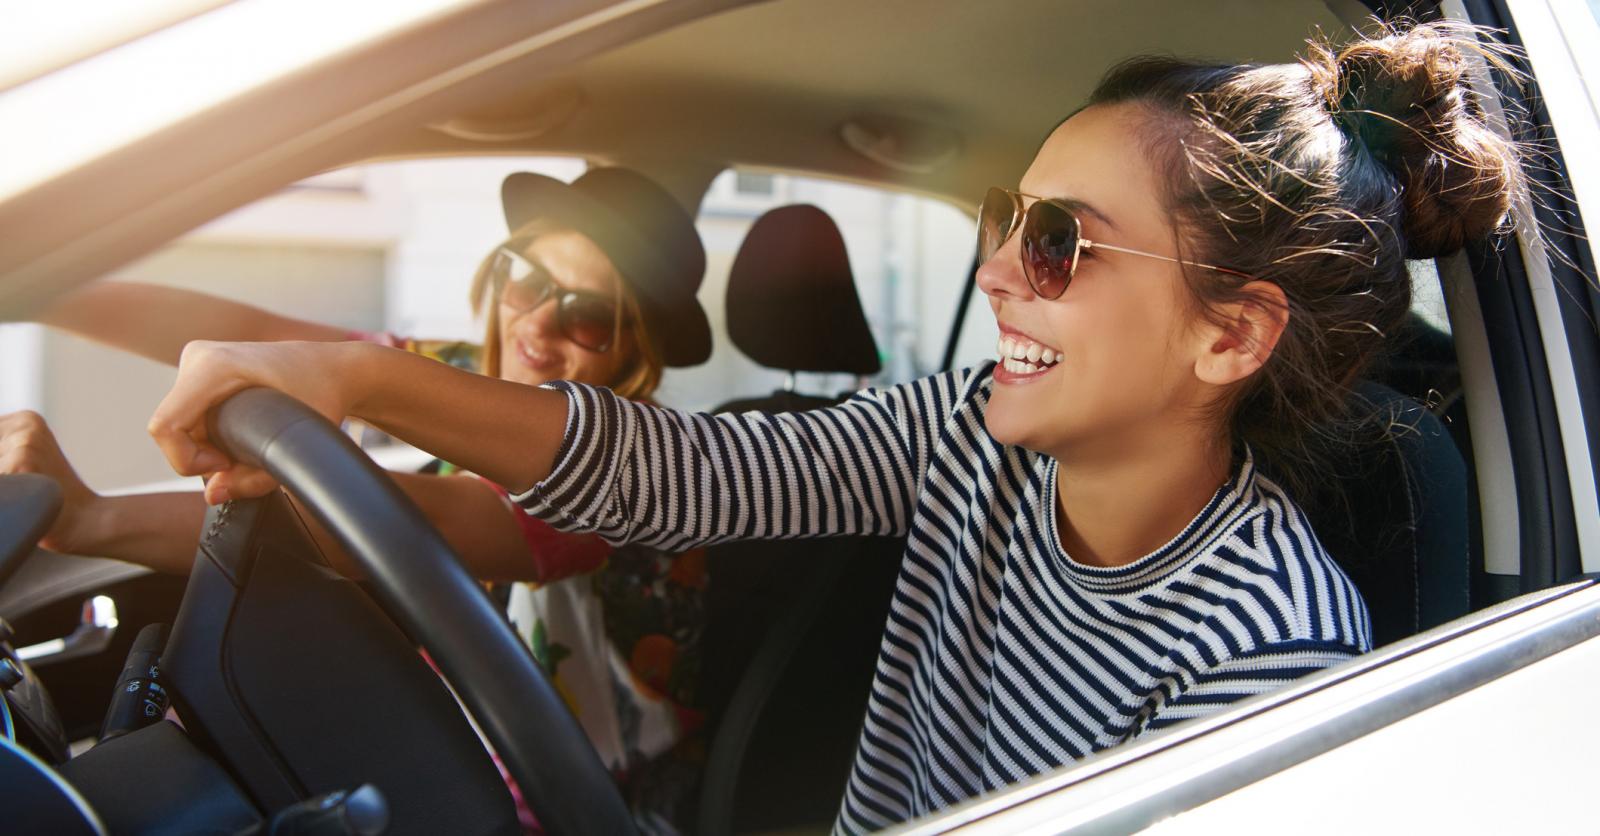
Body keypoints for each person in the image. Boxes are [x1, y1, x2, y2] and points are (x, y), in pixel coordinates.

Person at [140, 21, 1524, 833]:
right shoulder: (965, 436)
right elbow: (679, 474)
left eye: (1060, 243)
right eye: (1002, 224)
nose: (995, 273)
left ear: (1229, 335)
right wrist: (355, 382)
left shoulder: (1272, 644)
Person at [7, 167, 717, 832]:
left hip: (587, 800)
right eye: (525, 280)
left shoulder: (630, 469)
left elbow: (421, 522)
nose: (535, 326)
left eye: (587, 316)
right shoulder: (461, 371)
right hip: (466, 746)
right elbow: (259, 341)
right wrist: (44, 286)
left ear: (632, 353)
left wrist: (93, 516)